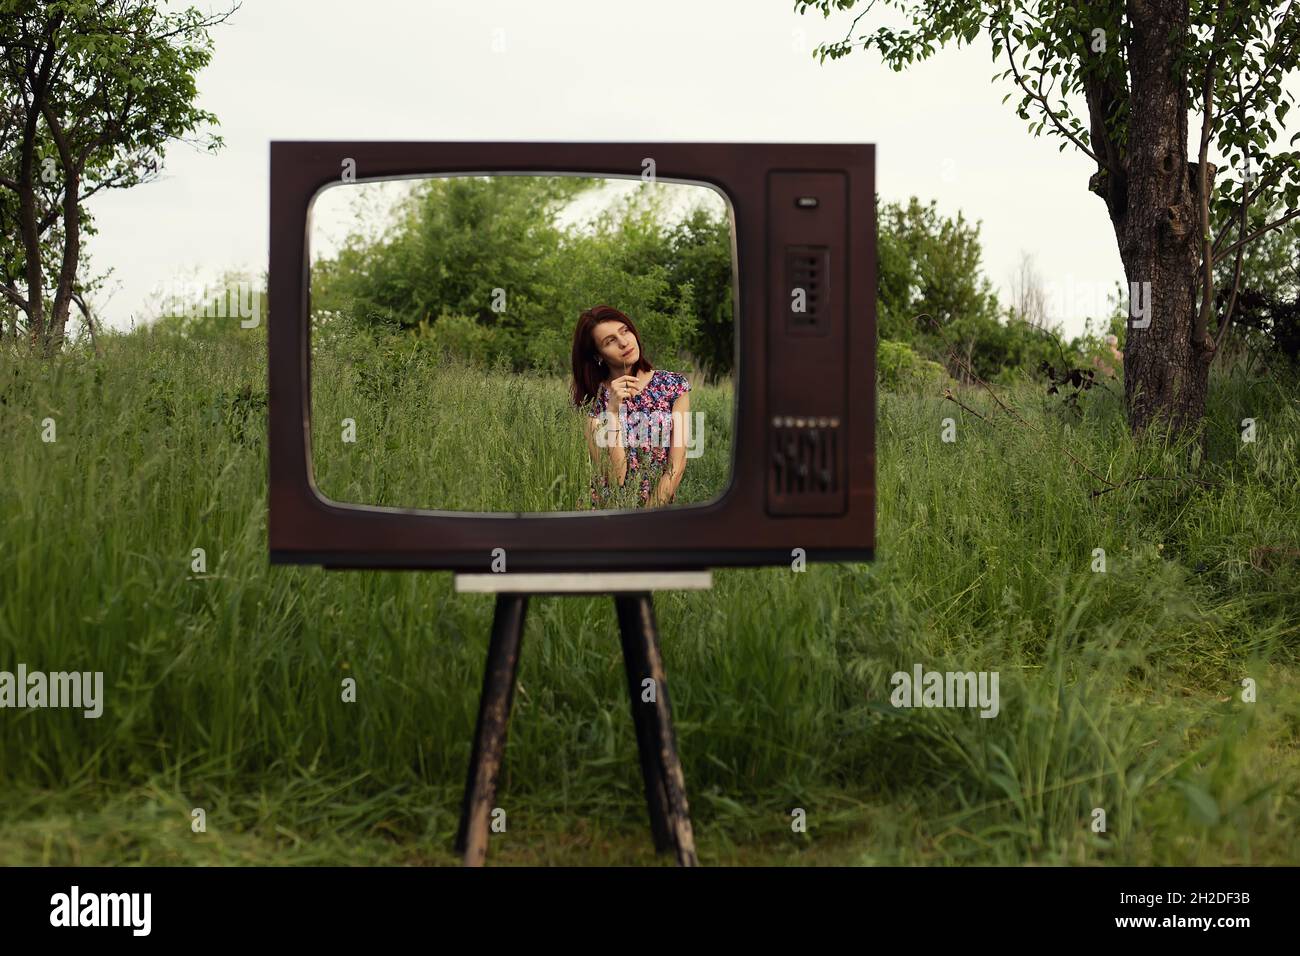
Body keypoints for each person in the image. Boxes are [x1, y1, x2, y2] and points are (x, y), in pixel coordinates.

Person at [569, 305, 692, 509]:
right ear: (598, 355)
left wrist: (647, 519)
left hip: (656, 511)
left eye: (624, 331)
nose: (624, 342)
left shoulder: (674, 386)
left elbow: (676, 466)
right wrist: (613, 412)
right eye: (610, 341)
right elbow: (615, 476)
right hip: (605, 511)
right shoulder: (591, 402)